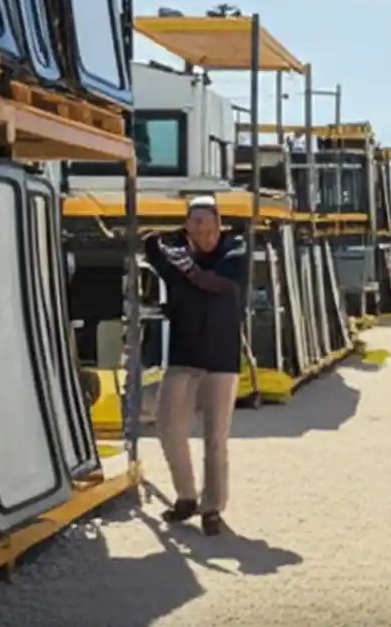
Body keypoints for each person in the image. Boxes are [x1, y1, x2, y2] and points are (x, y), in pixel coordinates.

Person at [143, 196, 246, 536]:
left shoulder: (235, 252)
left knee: (215, 438)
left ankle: (212, 507)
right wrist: (174, 239)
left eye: (208, 224)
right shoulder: (178, 254)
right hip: (183, 355)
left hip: (221, 359)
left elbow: (218, 284)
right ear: (188, 226)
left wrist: (188, 267)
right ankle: (186, 496)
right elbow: (150, 246)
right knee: (168, 426)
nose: (204, 231)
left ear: (219, 224)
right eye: (195, 223)